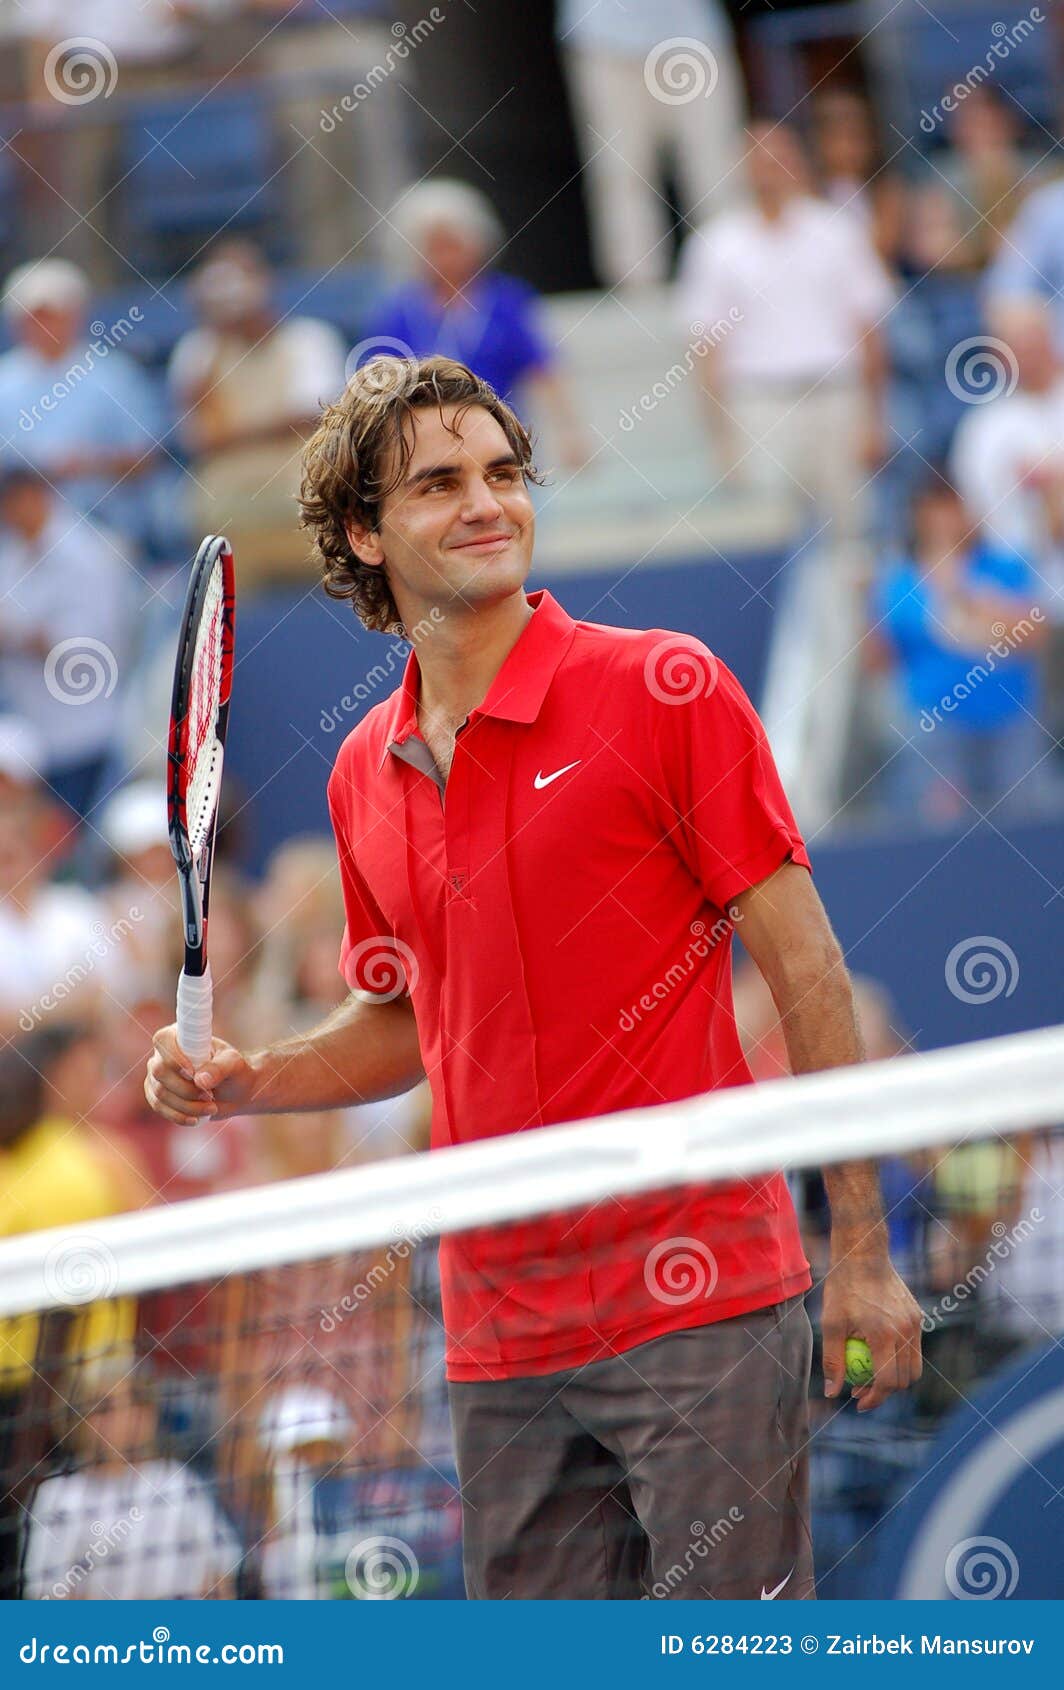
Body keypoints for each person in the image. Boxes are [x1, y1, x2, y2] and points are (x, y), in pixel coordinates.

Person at [146, 354, 923, 1601]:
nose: (487, 503)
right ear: (363, 531)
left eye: (504, 474)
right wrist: (252, 1078)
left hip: (702, 1296)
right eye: (440, 483)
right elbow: (406, 1015)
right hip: (499, 1334)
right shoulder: (361, 770)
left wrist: (865, 1249)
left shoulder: (665, 687)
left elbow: (808, 971)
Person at [677, 121, 893, 544]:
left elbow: (868, 326)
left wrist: (874, 417)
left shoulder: (836, 231)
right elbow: (706, 348)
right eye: (758, 160)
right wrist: (722, 437)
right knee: (773, 533)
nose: (768, 170)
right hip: (760, 404)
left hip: (835, 395)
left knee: (853, 532)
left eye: (778, 158)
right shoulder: (716, 244)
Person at [360, 180, 589, 469]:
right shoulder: (398, 313)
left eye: (453, 246)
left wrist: (569, 431)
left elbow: (542, 369)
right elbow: (375, 384)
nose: (446, 259)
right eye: (435, 248)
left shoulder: (506, 301)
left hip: (500, 437)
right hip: (425, 448)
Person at [868, 475, 1051, 823]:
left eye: (952, 509)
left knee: (1026, 826)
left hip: (1011, 725)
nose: (945, 521)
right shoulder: (900, 581)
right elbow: (881, 660)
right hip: (938, 733)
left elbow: (1032, 634)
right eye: (934, 512)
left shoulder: (1005, 566)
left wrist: (964, 590)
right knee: (942, 831)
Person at [169, 239, 347, 588]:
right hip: (228, 485)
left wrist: (238, 433)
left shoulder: (308, 339)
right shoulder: (198, 352)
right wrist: (217, 339)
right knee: (205, 518)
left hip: (298, 470)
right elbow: (203, 436)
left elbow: (311, 418)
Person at [556, 0, 745, 287]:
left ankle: (730, 276)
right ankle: (638, 286)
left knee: (715, 167)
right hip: (604, 39)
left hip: (693, 33)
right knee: (621, 169)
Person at [0, 464, 133, 820]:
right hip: (34, 740)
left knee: (75, 846)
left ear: (32, 497)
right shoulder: (11, 555)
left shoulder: (88, 555)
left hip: (85, 735)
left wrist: (18, 634)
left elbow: (89, 652)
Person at [0, 261, 164, 547]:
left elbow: (145, 459)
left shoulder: (114, 375)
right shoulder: (5, 380)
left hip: (102, 524)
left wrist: (90, 463)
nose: (42, 327)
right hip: (16, 535)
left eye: (51, 316)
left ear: (75, 315)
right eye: (32, 317)